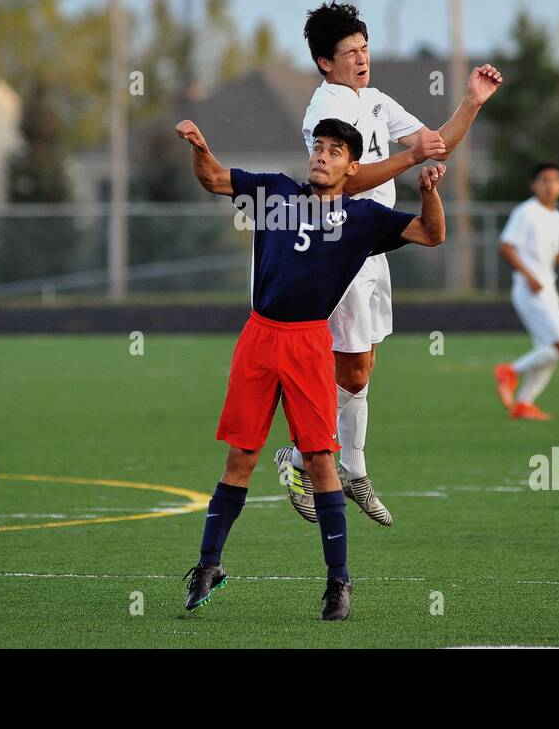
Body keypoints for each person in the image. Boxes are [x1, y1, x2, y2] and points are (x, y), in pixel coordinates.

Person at [176, 116, 448, 620]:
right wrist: (199, 146)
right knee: (241, 456)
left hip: (306, 344)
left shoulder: (362, 218)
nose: (322, 156)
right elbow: (213, 178)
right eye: (318, 147)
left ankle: (338, 584)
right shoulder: (276, 193)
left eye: (335, 150)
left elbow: (432, 234)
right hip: (258, 337)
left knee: (322, 461)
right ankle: (209, 565)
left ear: (353, 166)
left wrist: (428, 189)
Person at [275, 0, 501, 526]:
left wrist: (471, 102)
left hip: (374, 241)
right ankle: (300, 455)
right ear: (324, 62)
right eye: (350, 52)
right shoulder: (324, 110)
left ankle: (351, 467)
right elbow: (343, 180)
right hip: (342, 240)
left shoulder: (374, 100)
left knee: (363, 364)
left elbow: (434, 144)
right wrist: (412, 157)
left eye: (365, 47)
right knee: (348, 361)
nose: (362, 58)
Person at [494, 163, 559, 420]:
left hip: (546, 289)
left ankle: (523, 403)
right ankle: (509, 371)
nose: (549, 184)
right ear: (534, 185)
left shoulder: (556, 217)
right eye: (543, 180)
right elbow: (506, 247)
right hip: (530, 290)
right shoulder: (527, 211)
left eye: (555, 179)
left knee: (548, 352)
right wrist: (529, 275)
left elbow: (552, 257)